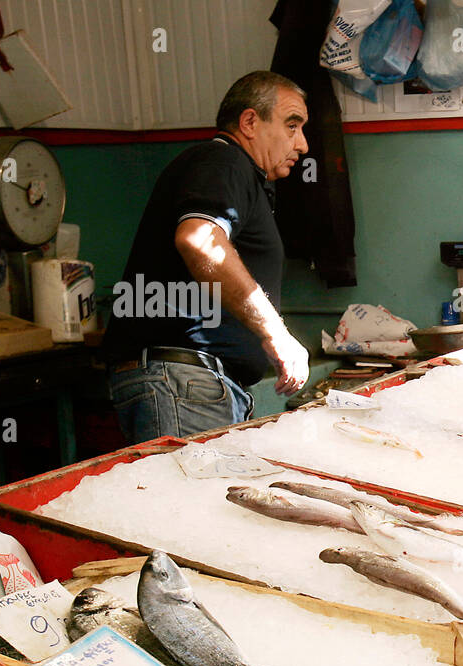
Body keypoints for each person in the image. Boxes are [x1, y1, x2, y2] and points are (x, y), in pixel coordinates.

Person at [105, 70, 312, 443]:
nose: (303, 144)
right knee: (190, 501)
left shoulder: (236, 172)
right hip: (183, 382)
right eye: (292, 125)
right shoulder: (223, 162)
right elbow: (200, 239)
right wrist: (277, 335)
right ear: (250, 121)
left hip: (189, 383)